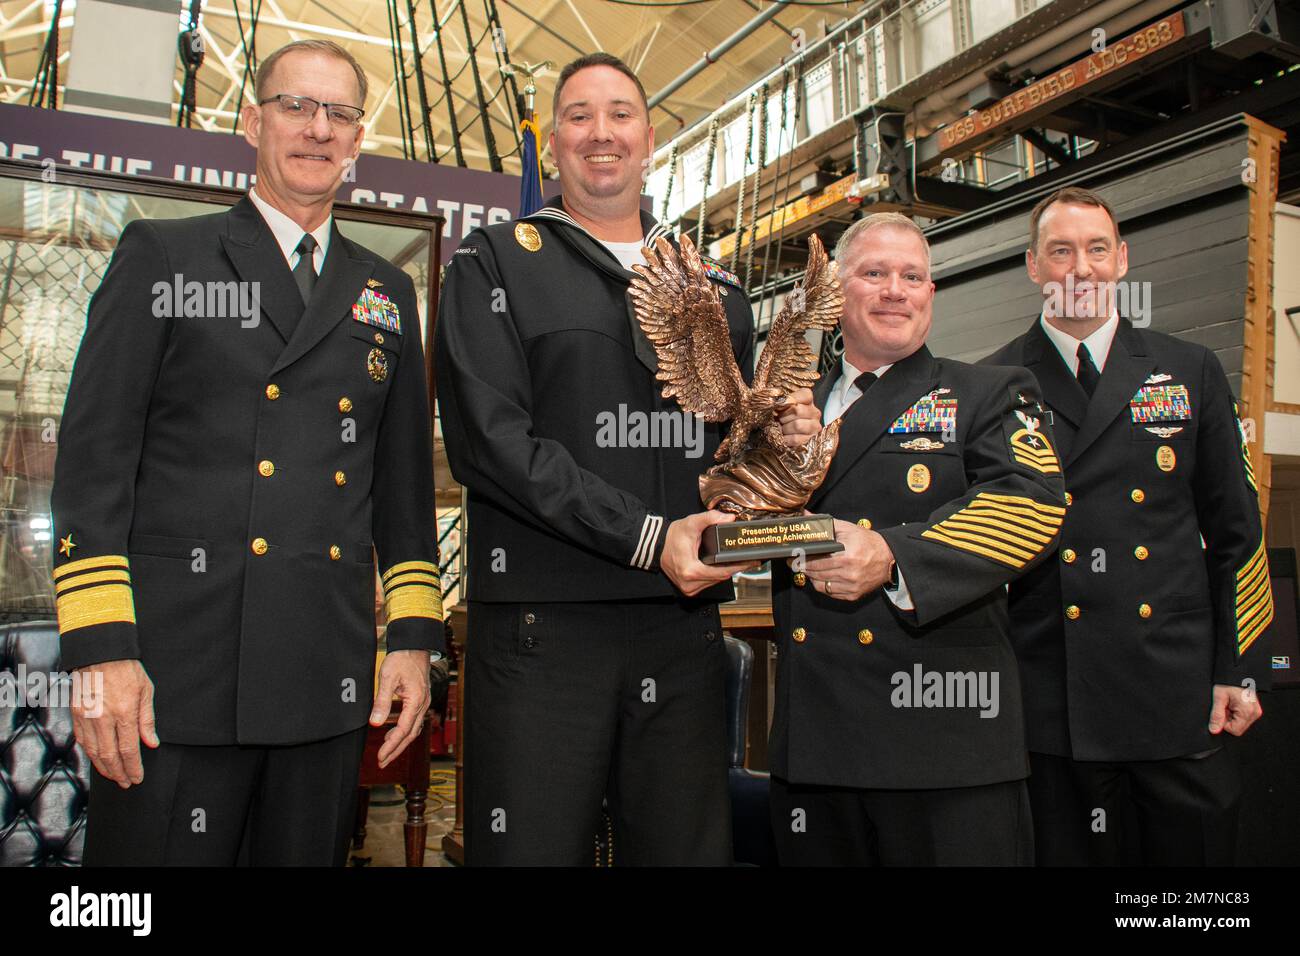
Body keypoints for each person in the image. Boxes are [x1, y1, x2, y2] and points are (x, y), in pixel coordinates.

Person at [51, 39, 442, 866]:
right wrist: (101, 650)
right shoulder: (165, 256)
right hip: (172, 677)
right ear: (252, 120)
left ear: (359, 137)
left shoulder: (387, 290)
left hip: (323, 680)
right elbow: (92, 468)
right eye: (296, 106)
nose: (317, 129)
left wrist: (410, 636)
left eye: (338, 113)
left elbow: (403, 494)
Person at [436, 52, 819, 865]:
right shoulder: (493, 264)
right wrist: (648, 537)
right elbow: (490, 444)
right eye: (578, 116)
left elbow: (728, 453)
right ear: (553, 145)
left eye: (619, 115)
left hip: (680, 633)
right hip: (545, 632)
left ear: (651, 138)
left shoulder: (716, 287)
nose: (600, 133)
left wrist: (779, 443)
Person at [982, 185, 1273, 865]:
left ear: (1121, 260)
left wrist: (1241, 670)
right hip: (1053, 702)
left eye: (1096, 249)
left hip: (1177, 695)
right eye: (1060, 251)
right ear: (1033, 267)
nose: (1079, 268)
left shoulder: (1188, 369)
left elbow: (1237, 531)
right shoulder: (992, 382)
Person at [768, 212, 1066, 866]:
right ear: (836, 291)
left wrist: (894, 556)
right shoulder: (788, 411)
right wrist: (770, 469)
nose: (895, 289)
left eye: (912, 276)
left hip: (946, 751)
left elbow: (1034, 504)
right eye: (874, 273)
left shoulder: (987, 391)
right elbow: (746, 528)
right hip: (817, 747)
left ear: (931, 294)